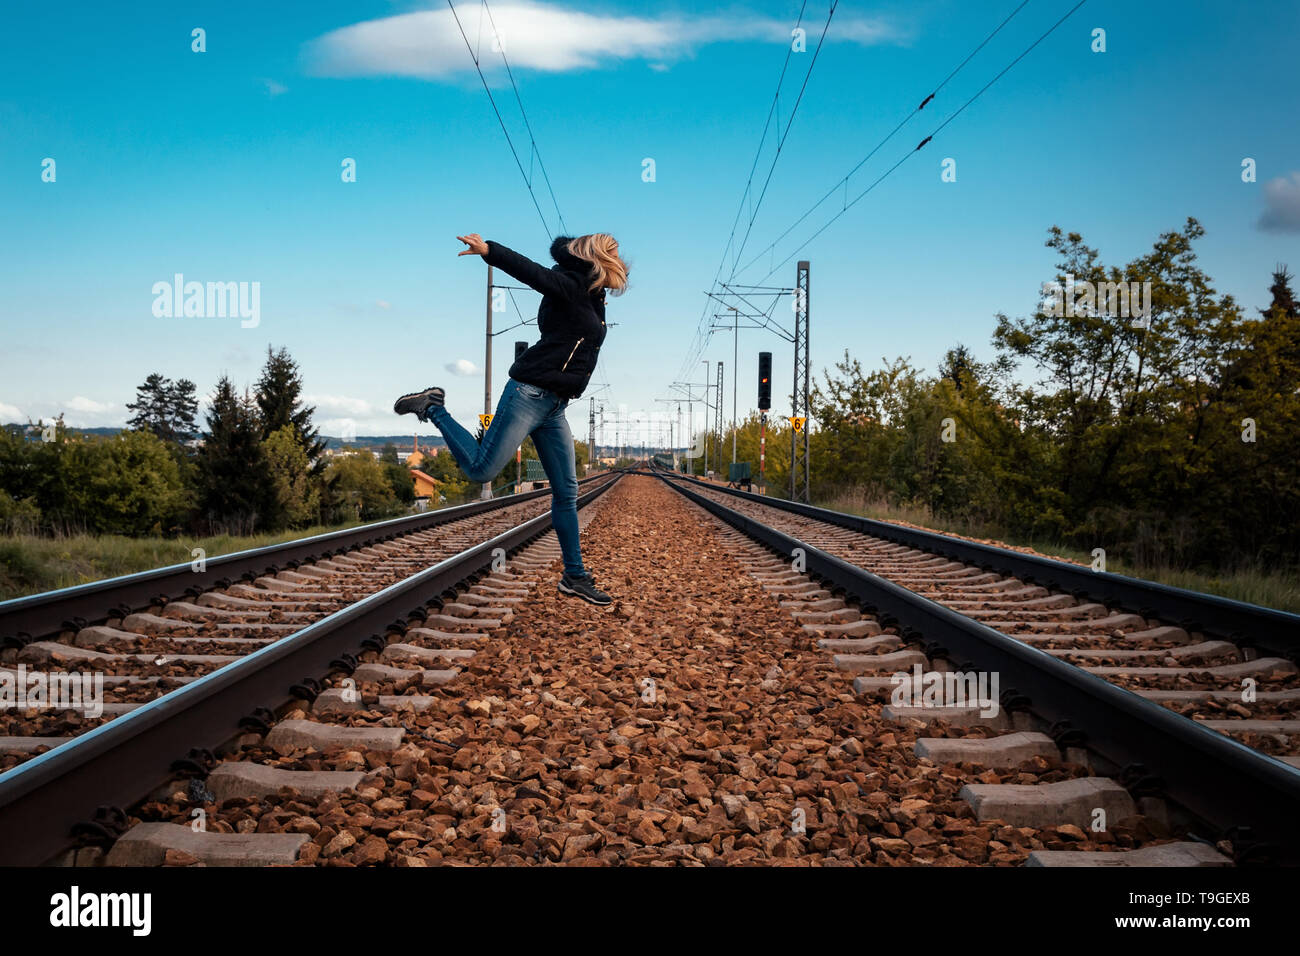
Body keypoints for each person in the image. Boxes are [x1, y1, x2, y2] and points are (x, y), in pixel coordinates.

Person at [394, 232, 628, 605]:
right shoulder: (568, 284)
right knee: (481, 470)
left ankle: (574, 576)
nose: (619, 258)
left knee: (567, 492)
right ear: (595, 256)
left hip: (555, 406)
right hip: (528, 395)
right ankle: (433, 407)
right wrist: (490, 251)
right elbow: (531, 272)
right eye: (612, 252)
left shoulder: (592, 296)